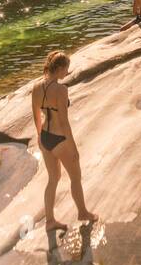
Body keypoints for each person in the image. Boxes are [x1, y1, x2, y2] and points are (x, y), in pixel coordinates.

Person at [31, 51, 96, 233]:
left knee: (53, 179)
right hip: (60, 139)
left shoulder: (36, 87)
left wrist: (40, 138)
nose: (67, 72)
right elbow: (64, 122)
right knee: (75, 178)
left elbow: (36, 116)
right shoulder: (61, 90)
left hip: (44, 136)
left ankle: (50, 221)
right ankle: (83, 212)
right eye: (66, 68)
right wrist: (73, 147)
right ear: (59, 68)